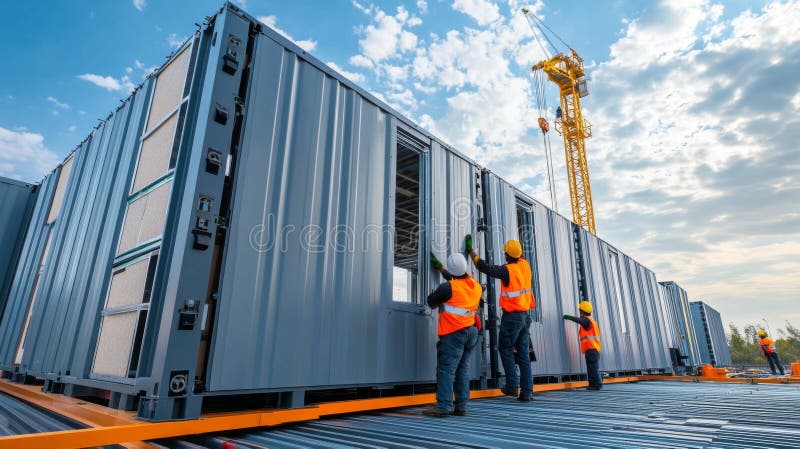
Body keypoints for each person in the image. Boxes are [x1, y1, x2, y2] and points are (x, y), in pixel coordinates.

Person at [465, 235, 534, 401]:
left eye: (506, 253)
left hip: (512, 317)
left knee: (505, 349)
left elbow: (484, 267)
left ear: (508, 255)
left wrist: (471, 252)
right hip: (525, 317)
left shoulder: (507, 270)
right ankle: (527, 392)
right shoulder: (525, 265)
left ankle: (512, 385)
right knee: (523, 354)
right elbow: (518, 256)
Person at [423, 252, 482, 417]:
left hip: (454, 333)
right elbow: (458, 280)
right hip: (471, 333)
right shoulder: (475, 286)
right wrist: (442, 268)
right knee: (462, 369)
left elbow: (431, 302)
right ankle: (461, 406)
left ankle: (443, 406)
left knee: (446, 369)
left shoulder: (447, 288)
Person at [563, 301, 602, 390]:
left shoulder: (586, 320)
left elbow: (579, 320)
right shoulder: (592, 321)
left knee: (592, 368)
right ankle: (597, 384)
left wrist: (569, 317)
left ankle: (594, 385)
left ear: (583, 311)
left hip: (591, 348)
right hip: (594, 348)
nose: (579, 312)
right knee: (594, 367)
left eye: (580, 310)